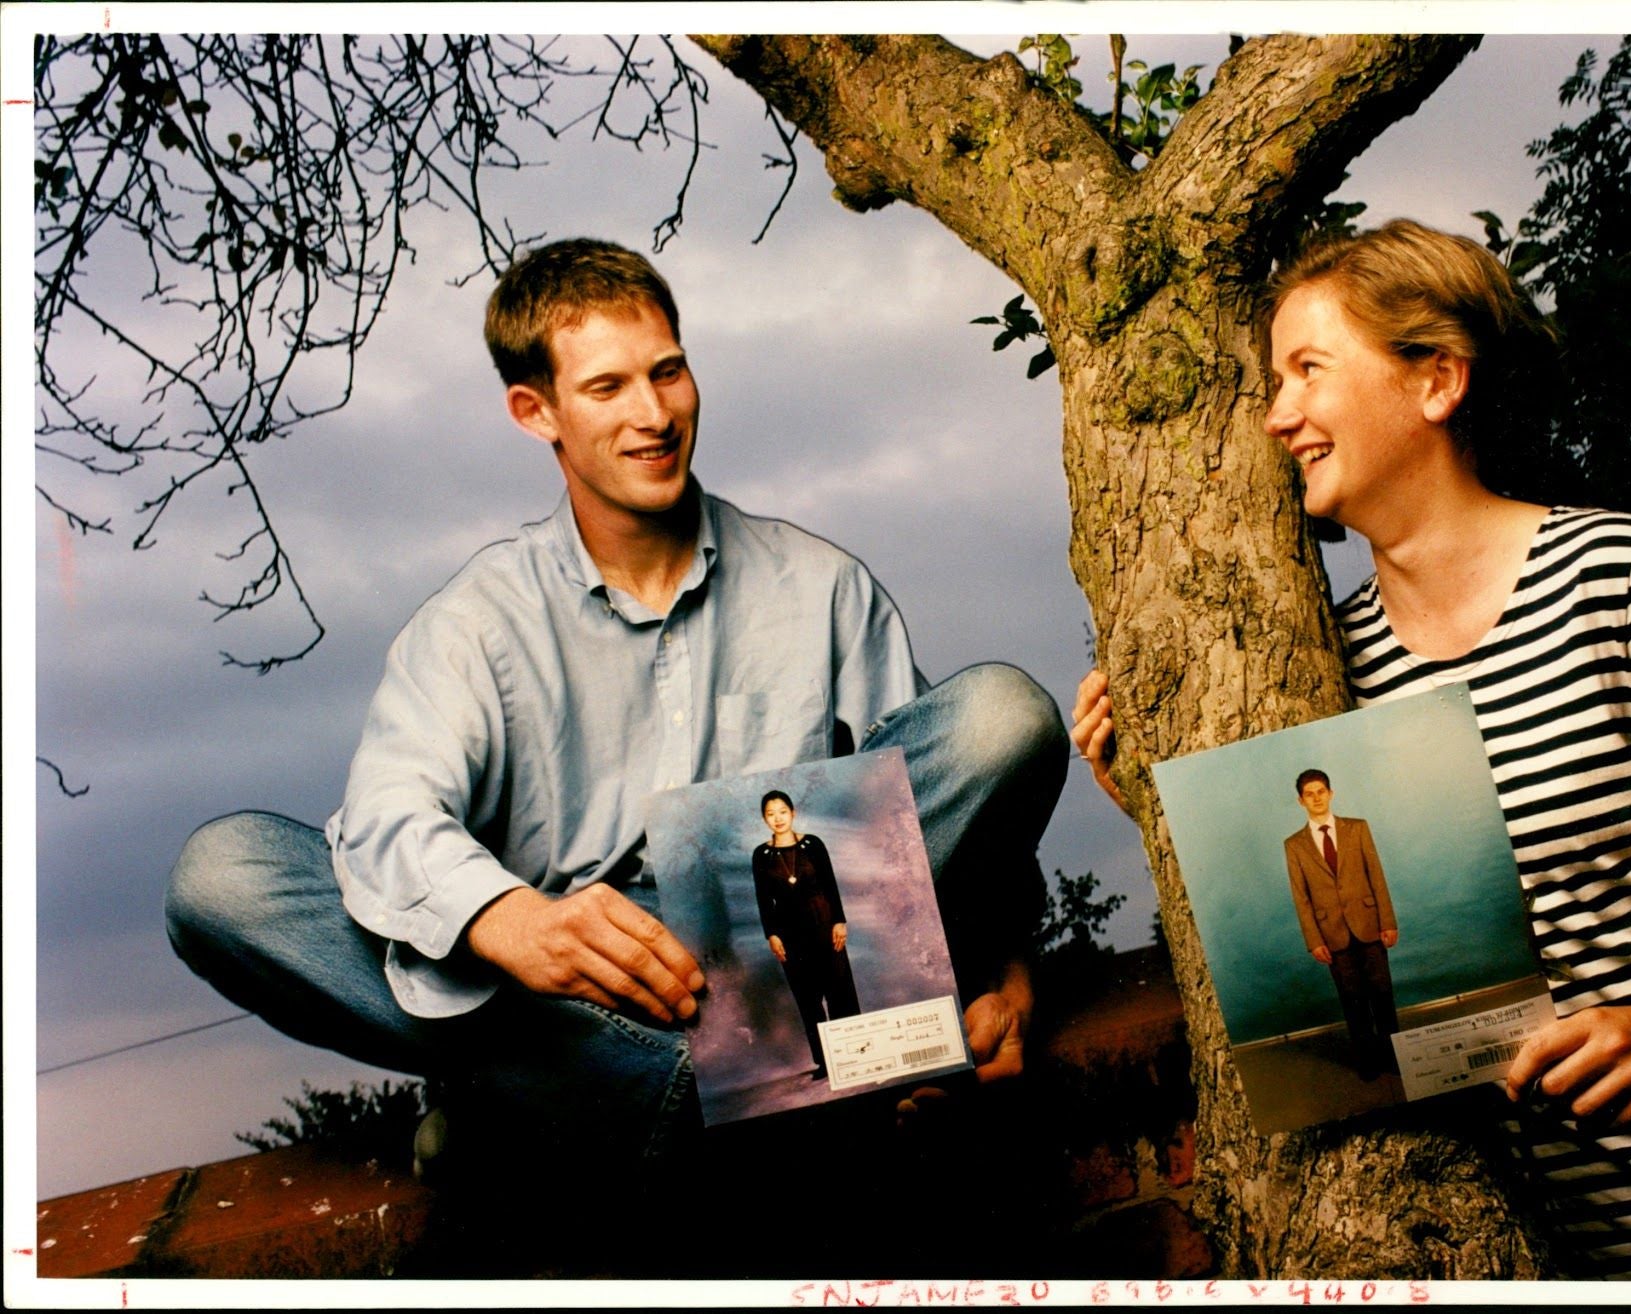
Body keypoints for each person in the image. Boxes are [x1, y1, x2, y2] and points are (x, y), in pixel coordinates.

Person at [1071, 219, 1631, 1284]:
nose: (1275, 415)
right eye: (1274, 382)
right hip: (1601, 1265)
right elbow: (1344, 928)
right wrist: (1155, 802)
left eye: (1307, 369)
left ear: (1436, 381)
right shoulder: (1330, 672)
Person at [166, 238, 1067, 1191]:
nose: (654, 415)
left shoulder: (823, 586)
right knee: (223, 878)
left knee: (1003, 717)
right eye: (607, 388)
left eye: (667, 372)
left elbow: (948, 828)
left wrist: (1007, 980)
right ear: (536, 412)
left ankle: (562, 1111)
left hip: (777, 983)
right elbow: (387, 819)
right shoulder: (473, 626)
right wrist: (515, 923)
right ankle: (660, 1096)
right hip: (562, 1003)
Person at [1283, 769, 1399, 1079]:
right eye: (1309, 794)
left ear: (1331, 794)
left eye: (1321, 791)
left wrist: (1387, 921)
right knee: (1353, 1001)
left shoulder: (1357, 828)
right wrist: (1314, 941)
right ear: (1301, 801)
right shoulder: (1294, 845)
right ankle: (1369, 1062)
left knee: (1382, 995)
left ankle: (1396, 1059)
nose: (1316, 798)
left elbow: (1376, 875)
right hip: (1331, 934)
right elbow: (1301, 897)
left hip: (1369, 925)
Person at [752, 790, 861, 1079]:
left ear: (793, 813)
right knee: (807, 997)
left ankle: (853, 1054)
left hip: (824, 923)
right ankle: (825, 1061)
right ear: (764, 819)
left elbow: (829, 883)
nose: (778, 818)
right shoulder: (761, 855)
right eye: (771, 814)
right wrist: (771, 934)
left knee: (839, 990)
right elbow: (763, 898)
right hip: (789, 932)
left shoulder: (813, 844)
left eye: (782, 812)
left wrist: (839, 921)